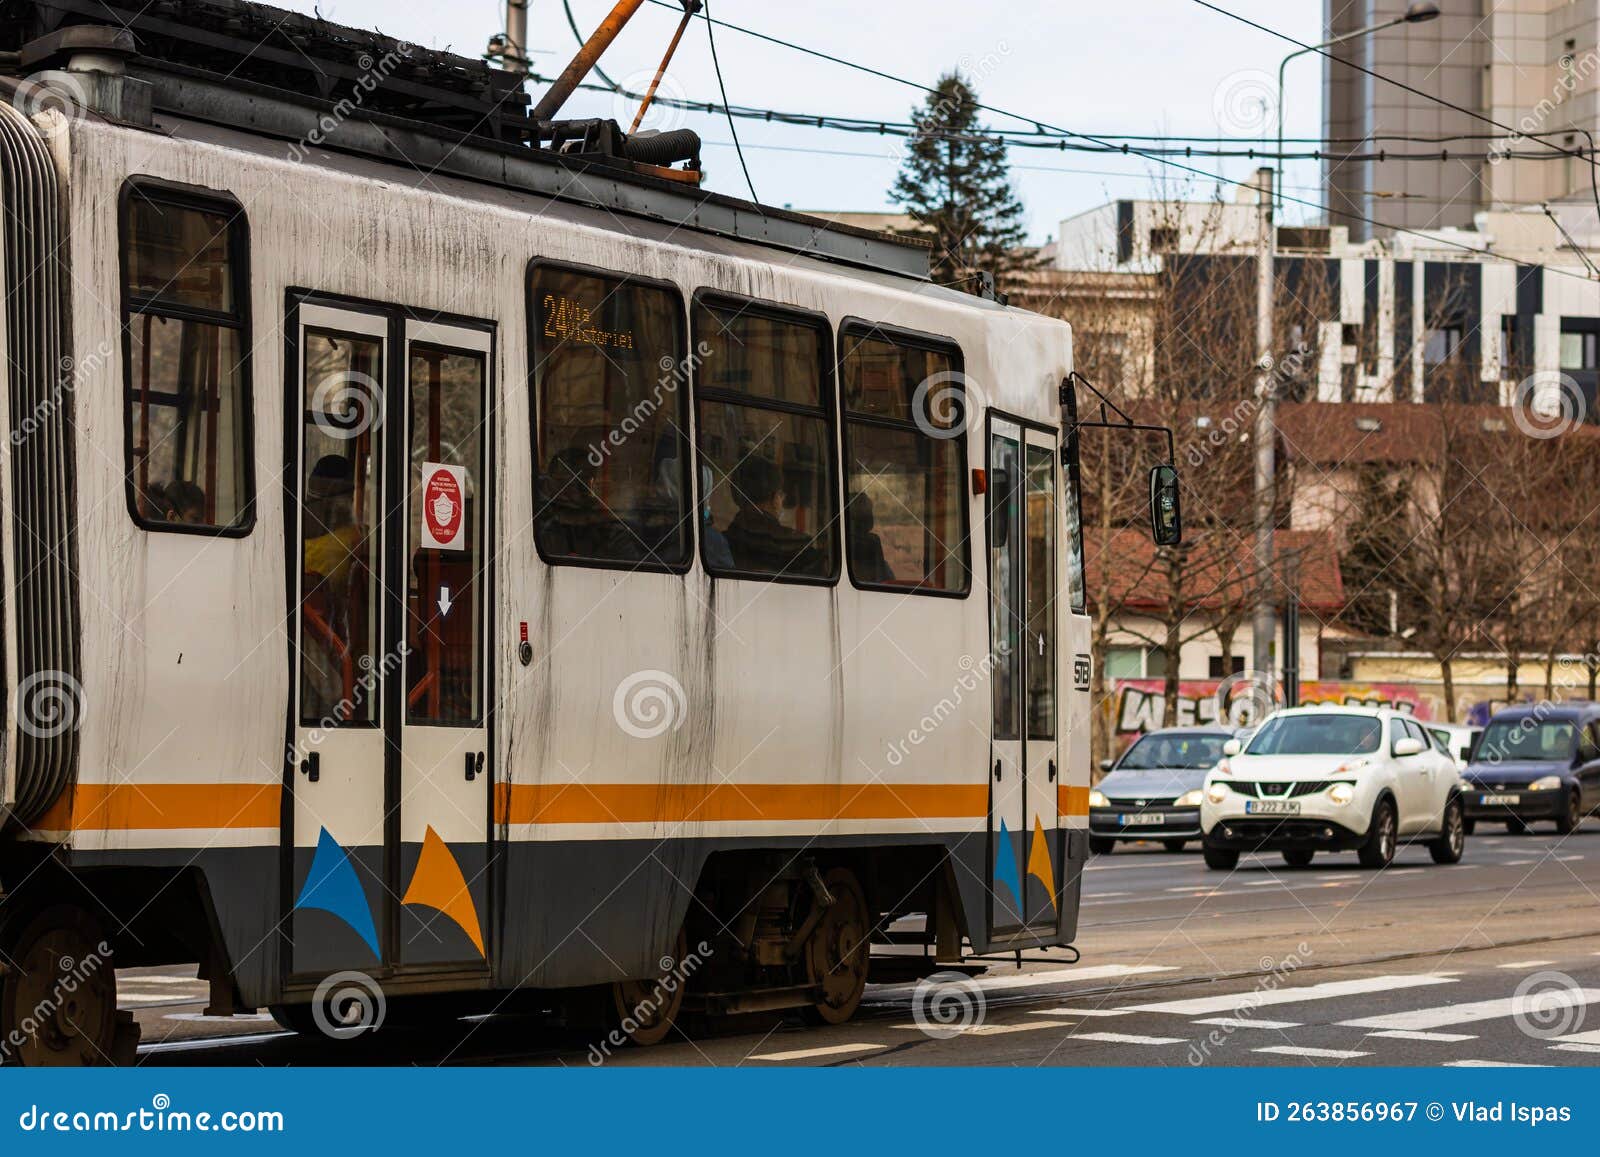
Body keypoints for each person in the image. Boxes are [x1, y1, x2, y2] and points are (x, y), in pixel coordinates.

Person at [723, 456, 822, 576]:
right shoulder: (798, 546)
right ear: (775, 498)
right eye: (781, 494)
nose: (782, 499)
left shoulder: (724, 541)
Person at [847, 495, 894, 583]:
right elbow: (881, 579)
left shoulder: (873, 540)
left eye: (868, 515)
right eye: (862, 517)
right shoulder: (873, 541)